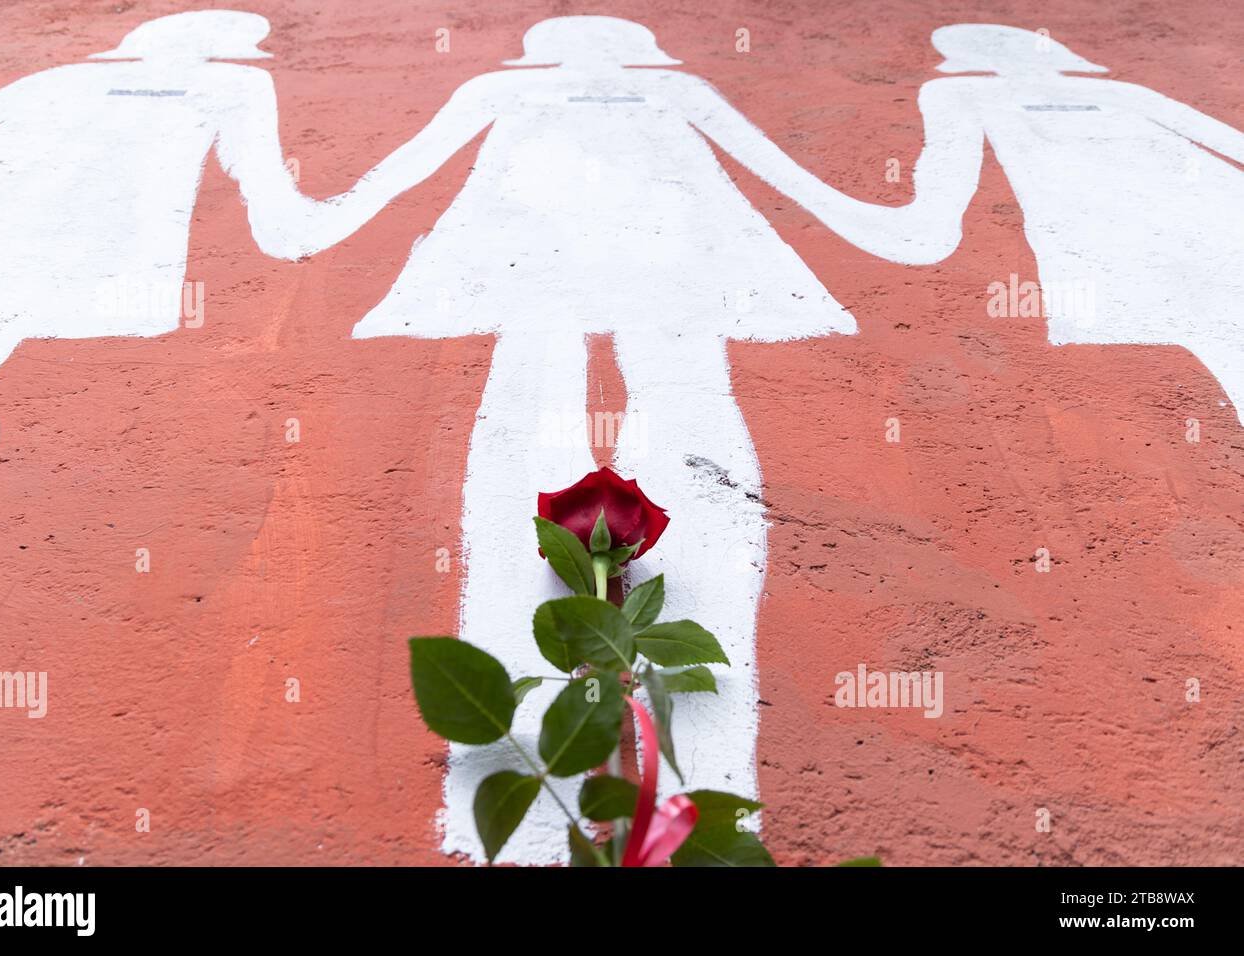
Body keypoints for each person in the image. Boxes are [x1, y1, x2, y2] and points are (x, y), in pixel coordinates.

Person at [339, 15, 860, 863]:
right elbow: (401, 171)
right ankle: (535, 817)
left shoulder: (632, 86)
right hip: (567, 257)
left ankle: (679, 795)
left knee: (666, 405)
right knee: (541, 410)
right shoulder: (507, 87)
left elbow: (783, 176)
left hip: (649, 259)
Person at [0, 10, 373, 432]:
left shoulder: (59, 78)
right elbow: (277, 216)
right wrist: (378, 190)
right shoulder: (236, 84)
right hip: (89, 267)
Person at [797, 23, 1244, 421]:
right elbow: (943, 189)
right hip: (1109, 251)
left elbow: (1228, 146)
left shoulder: (1124, 94)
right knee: (1218, 347)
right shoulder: (963, 93)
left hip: (1208, 225)